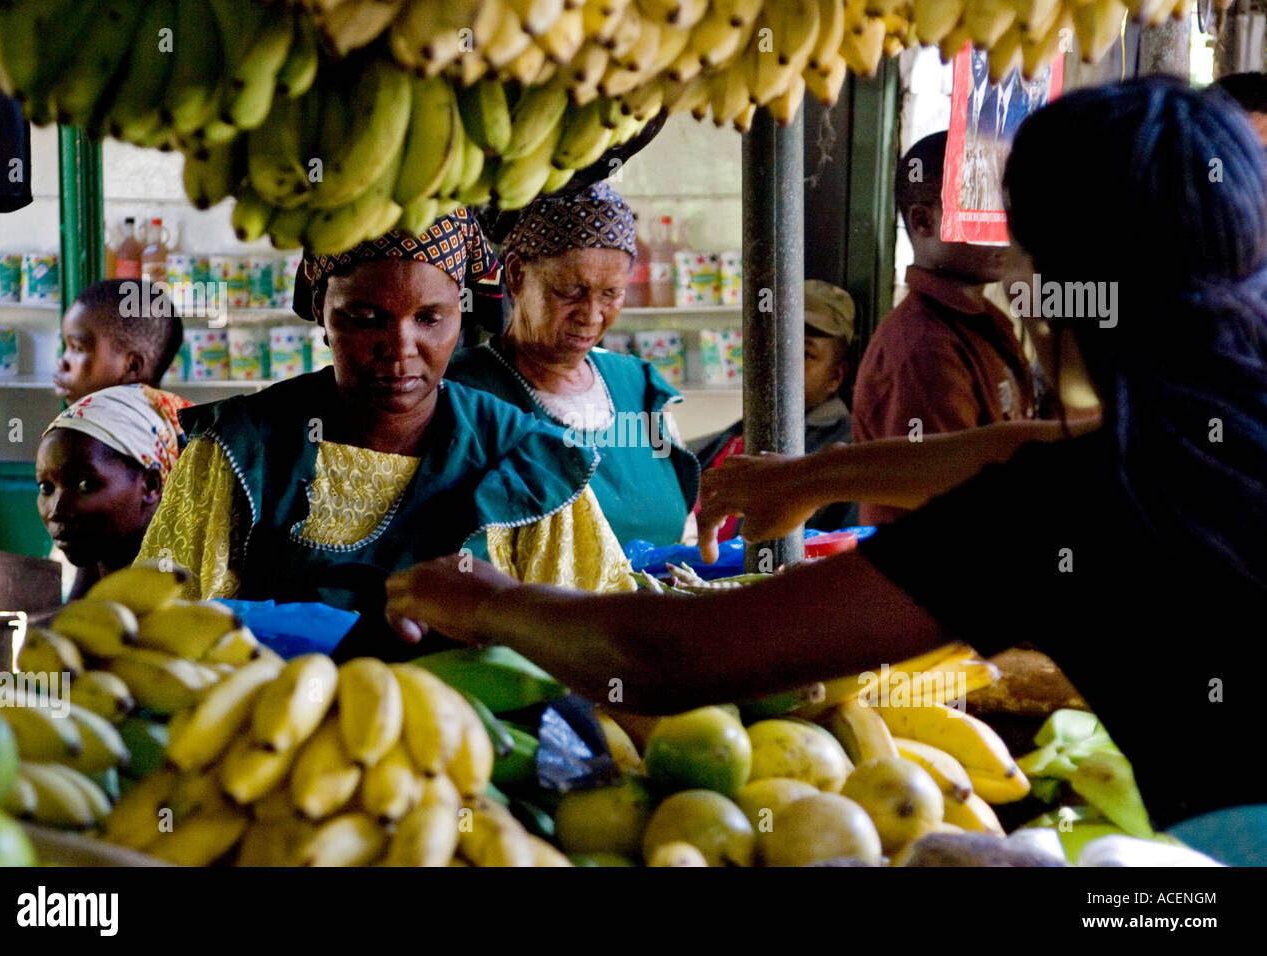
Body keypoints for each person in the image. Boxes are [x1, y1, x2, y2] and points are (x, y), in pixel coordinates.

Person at [383, 78, 1267, 836]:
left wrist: (483, 601)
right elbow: (1026, 446)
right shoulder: (1189, 433)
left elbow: (676, 654)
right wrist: (815, 476)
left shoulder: (1075, 501)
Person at [136, 210, 635, 638]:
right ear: (321, 311)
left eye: (429, 319)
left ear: (460, 316)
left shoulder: (525, 459)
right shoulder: (242, 448)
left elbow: (593, 641)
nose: (400, 348)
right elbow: (168, 635)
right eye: (366, 316)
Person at [446, 183, 700, 548]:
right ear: (516, 274)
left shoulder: (639, 387)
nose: (592, 315)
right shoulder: (463, 392)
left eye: (611, 294)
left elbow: (685, 532)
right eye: (571, 292)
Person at [854, 130, 1036, 525]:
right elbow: (956, 499)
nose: (1003, 228)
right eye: (982, 208)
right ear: (923, 221)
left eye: (1008, 208)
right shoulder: (924, 346)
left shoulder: (987, 321)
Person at [693, 279, 858, 536]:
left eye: (805, 354)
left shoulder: (845, 453)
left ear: (835, 376)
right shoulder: (732, 437)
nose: (778, 363)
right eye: (771, 347)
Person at [36, 384, 187, 599]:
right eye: (46, 487)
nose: (57, 510)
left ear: (151, 485)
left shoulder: (192, 603)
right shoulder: (85, 571)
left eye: (85, 485)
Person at [52, 278, 185, 403]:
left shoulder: (75, 427)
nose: (62, 362)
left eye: (77, 348)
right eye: (66, 347)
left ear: (132, 367)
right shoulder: (174, 422)